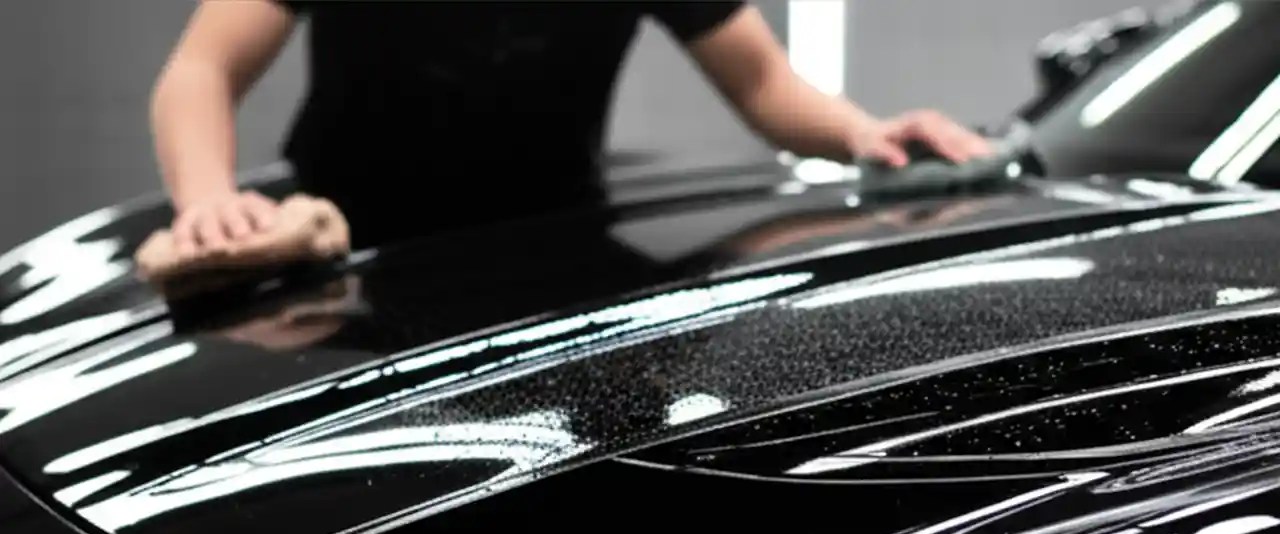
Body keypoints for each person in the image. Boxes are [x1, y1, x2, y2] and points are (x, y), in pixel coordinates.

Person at [151, 0, 993, 254]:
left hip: (556, 243)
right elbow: (201, 69)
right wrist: (205, 198)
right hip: (352, 250)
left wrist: (862, 132)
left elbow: (763, 80)